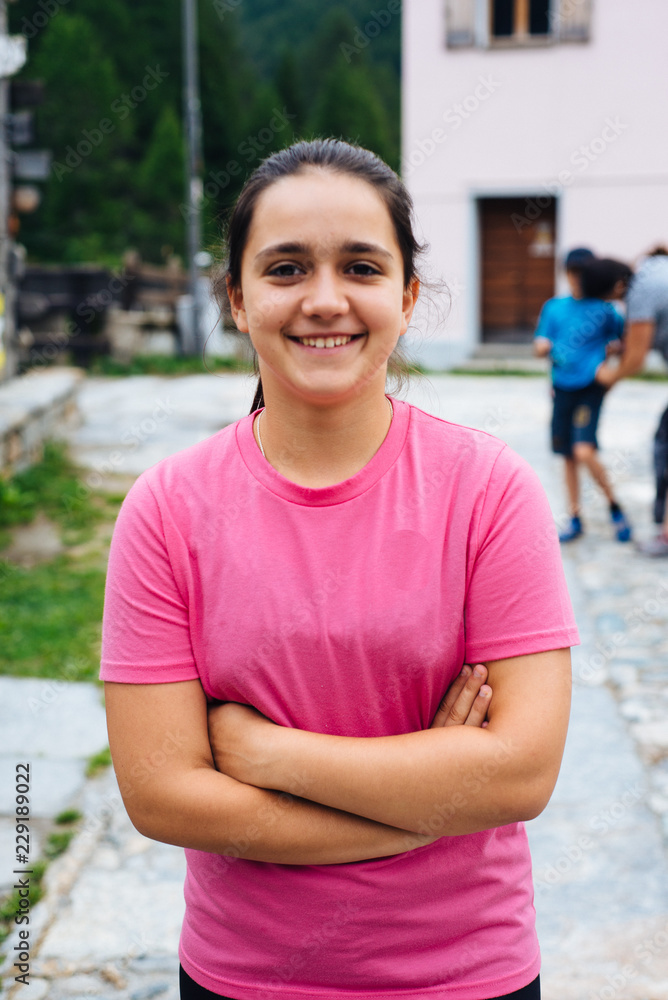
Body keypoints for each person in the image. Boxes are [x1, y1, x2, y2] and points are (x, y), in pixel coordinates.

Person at [101, 139, 578, 1000]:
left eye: (360, 266)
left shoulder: (488, 491)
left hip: (466, 976)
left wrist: (264, 752)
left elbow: (520, 772)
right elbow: (163, 795)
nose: (325, 300)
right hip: (244, 979)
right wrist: (418, 812)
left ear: (407, 296)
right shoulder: (167, 509)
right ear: (238, 299)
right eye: (286, 269)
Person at [534, 250, 633, 543]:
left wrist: (611, 361)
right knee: (567, 456)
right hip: (561, 388)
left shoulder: (605, 309)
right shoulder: (554, 307)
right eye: (572, 272)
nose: (577, 279)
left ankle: (615, 507)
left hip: (590, 388)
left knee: (584, 451)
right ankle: (575, 517)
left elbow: (625, 341)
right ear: (565, 274)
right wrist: (543, 347)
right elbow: (541, 341)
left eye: (582, 273)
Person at [596, 246, 668, 555]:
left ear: (617, 286)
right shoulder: (655, 270)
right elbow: (640, 341)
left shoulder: (641, 290)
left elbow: (636, 360)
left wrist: (605, 380)